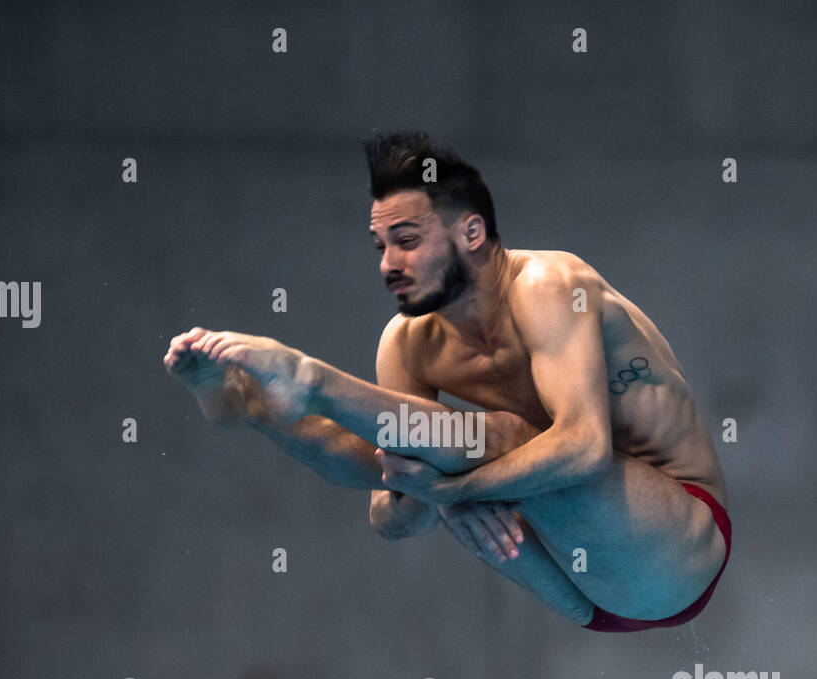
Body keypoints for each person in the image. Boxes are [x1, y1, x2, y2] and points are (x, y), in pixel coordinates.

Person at [163, 130, 730, 631]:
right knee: (426, 454)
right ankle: (252, 405)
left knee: (496, 439)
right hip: (574, 591)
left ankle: (312, 383)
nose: (388, 263)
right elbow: (394, 518)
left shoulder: (551, 284)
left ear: (472, 232)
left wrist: (457, 491)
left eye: (407, 241)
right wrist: (430, 492)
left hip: (675, 548)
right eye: (381, 245)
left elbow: (583, 449)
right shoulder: (409, 343)